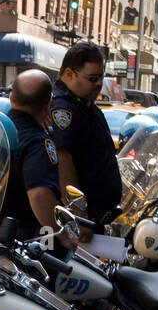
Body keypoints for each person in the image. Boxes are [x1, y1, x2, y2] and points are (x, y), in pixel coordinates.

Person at [49, 41, 123, 225]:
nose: (99, 84)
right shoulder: (63, 108)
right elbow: (63, 163)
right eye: (92, 78)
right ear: (69, 74)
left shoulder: (82, 103)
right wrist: (79, 216)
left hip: (99, 215)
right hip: (84, 220)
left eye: (101, 77)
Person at [3, 69, 68, 243]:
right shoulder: (37, 143)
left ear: (10, 98)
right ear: (48, 104)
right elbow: (39, 196)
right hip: (20, 240)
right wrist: (61, 235)